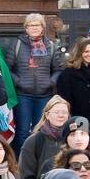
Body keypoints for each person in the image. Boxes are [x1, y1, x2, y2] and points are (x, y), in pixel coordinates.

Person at [7, 13, 66, 153]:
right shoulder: (17, 44)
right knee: (22, 131)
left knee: (40, 130)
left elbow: (58, 69)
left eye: (37, 25)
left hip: (44, 95)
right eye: (31, 25)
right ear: (26, 28)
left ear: (42, 27)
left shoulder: (50, 46)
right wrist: (19, 81)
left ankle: (38, 159)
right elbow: (7, 69)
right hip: (23, 95)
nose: (34, 28)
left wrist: (50, 82)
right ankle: (20, 161)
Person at [19, 96, 71, 179]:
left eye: (64, 112)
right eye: (57, 112)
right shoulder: (34, 141)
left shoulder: (73, 140)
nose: (61, 115)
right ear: (47, 115)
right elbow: (25, 177)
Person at [56, 36, 90, 123]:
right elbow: (64, 100)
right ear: (79, 53)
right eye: (86, 51)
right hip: (76, 119)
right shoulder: (67, 74)